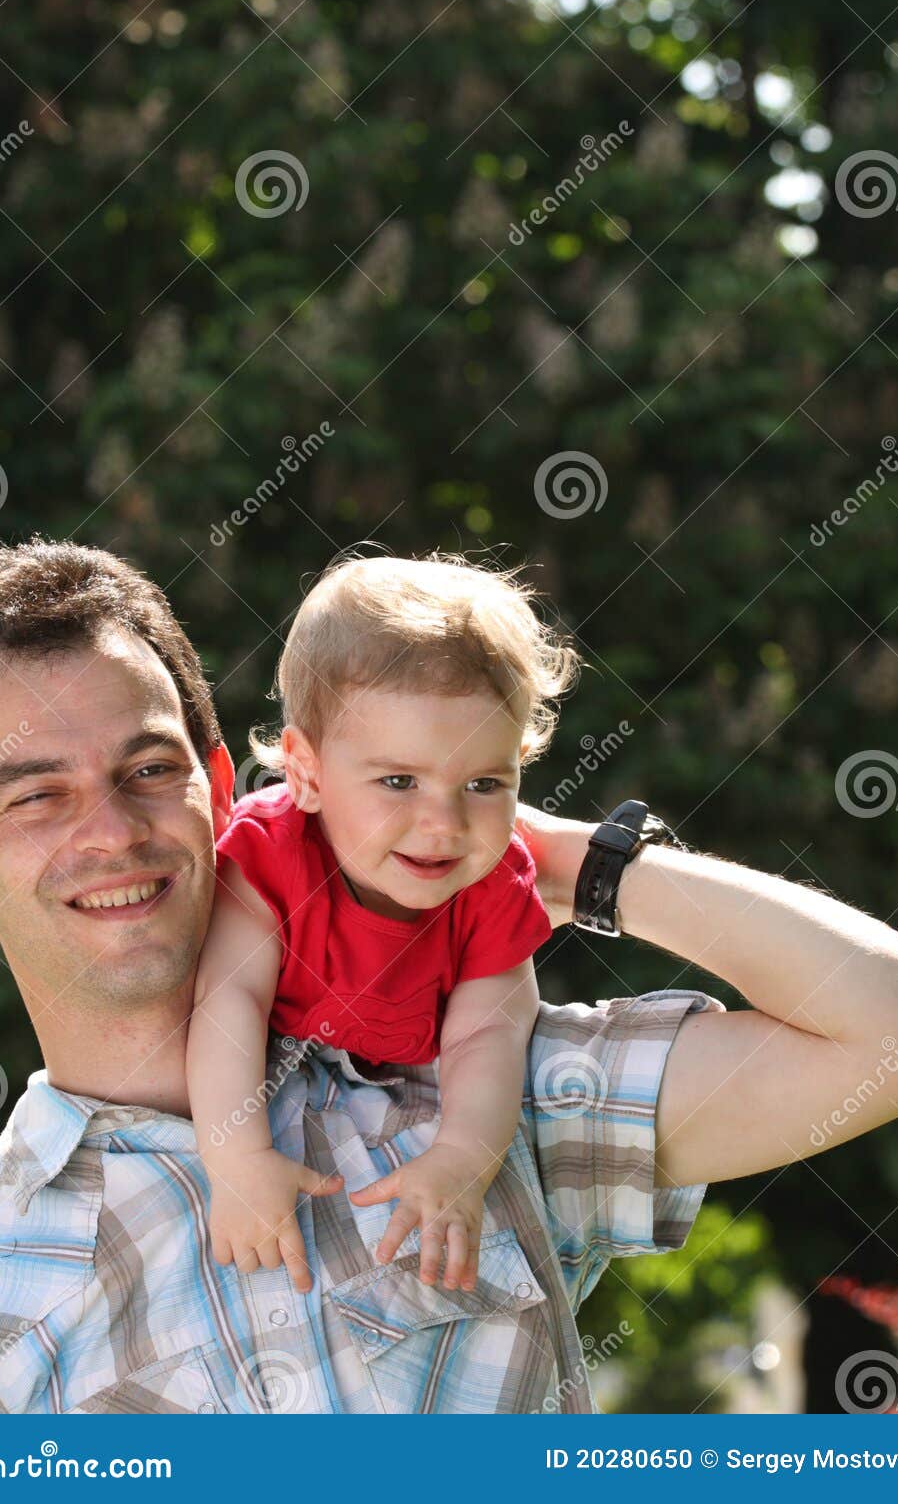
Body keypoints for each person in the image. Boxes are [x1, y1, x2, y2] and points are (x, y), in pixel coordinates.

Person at [0, 539, 898, 1415]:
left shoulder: (479, 1093)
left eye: (149, 769)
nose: (113, 830)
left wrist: (530, 848)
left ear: (225, 785)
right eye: (35, 795)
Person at [188, 554, 577, 1298]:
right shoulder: (271, 856)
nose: (443, 822)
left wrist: (462, 1157)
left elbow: (488, 1032)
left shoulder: (493, 881)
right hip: (281, 1076)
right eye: (398, 781)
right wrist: (236, 1160)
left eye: (483, 784)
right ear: (304, 770)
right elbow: (228, 1002)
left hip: (409, 1086)